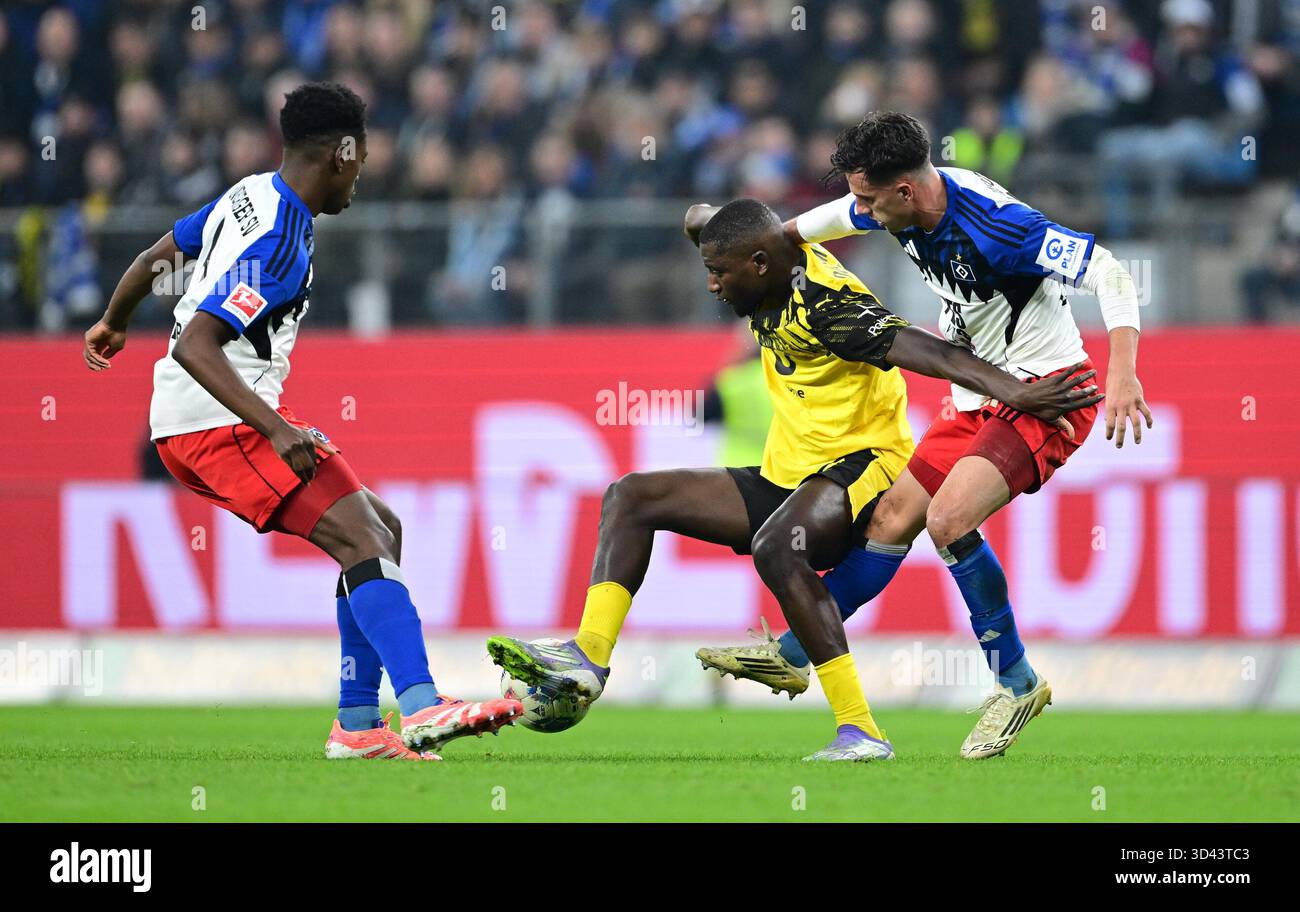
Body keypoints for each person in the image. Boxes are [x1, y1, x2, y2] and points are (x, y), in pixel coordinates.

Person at [485, 197, 1100, 762]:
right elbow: (704, 220)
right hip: (791, 472)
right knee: (631, 496)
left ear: (760, 264)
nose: (712, 284)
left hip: (863, 467)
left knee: (779, 547)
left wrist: (1017, 392)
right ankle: (590, 659)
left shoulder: (833, 309)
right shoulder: (759, 264)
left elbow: (936, 354)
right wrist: (702, 221)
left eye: (721, 274)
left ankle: (861, 731)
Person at [81, 82, 521, 761]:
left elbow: (153, 259)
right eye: (362, 159)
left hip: (217, 411)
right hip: (216, 419)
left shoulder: (250, 193)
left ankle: (356, 723)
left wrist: (114, 320)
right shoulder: (281, 238)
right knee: (359, 538)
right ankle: (423, 707)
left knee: (381, 528)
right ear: (337, 156)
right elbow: (194, 343)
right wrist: (279, 430)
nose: (363, 175)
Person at [697, 111, 1151, 760]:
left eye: (869, 200)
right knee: (888, 522)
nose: (861, 212)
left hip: (1047, 393)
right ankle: (794, 654)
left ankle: (1016, 682)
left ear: (905, 191)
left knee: (947, 519)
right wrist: (748, 252)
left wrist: (1125, 374)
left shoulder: (1000, 228)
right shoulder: (892, 202)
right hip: (978, 396)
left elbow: (1108, 270)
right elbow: (802, 228)